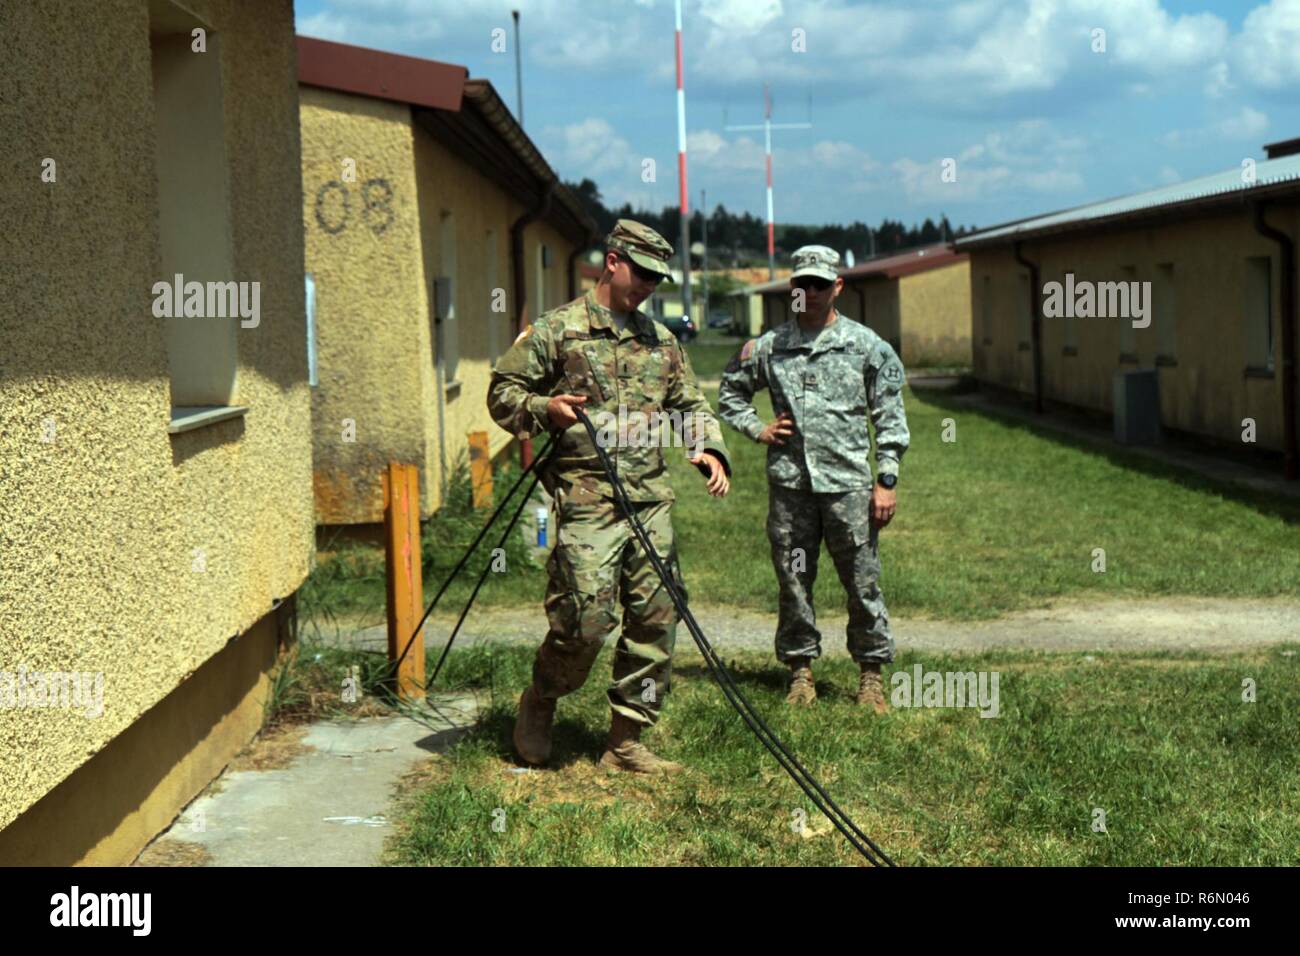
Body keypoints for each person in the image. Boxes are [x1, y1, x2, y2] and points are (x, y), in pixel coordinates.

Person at [487, 219, 731, 772]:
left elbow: (689, 404)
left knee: (655, 621)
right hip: (586, 499)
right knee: (585, 619)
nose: (648, 286)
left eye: (657, 278)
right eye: (642, 273)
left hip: (649, 500)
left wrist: (708, 448)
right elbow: (503, 393)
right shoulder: (557, 330)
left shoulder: (661, 342)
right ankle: (541, 699)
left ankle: (625, 740)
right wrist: (544, 409)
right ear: (613, 261)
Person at [717, 244, 909, 711]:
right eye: (802, 284)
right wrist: (757, 428)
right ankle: (800, 672)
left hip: (848, 487)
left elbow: (890, 415)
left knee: (861, 582)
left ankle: (870, 675)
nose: (811, 292)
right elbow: (730, 394)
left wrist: (886, 480)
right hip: (793, 490)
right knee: (794, 579)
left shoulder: (865, 346)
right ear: (792, 289)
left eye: (820, 284)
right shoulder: (769, 347)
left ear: (837, 287)